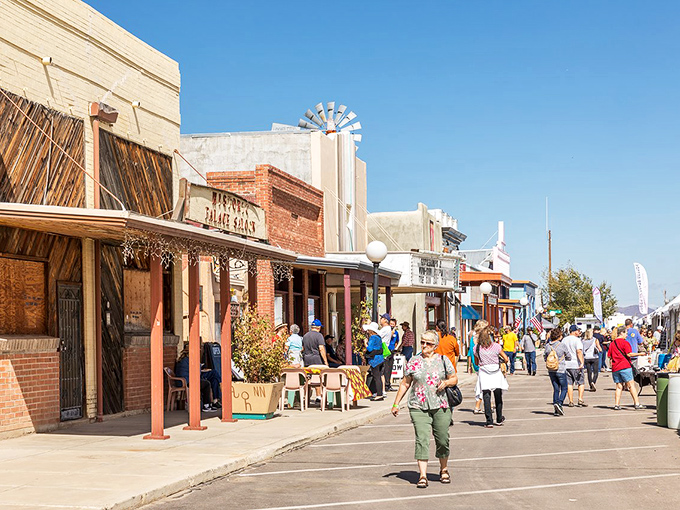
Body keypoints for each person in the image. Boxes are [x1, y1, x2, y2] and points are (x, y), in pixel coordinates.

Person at [391, 330, 457, 489]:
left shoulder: (443, 360)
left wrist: (447, 383)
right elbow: (405, 383)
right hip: (418, 405)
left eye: (428, 343)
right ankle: (422, 475)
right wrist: (396, 403)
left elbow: (454, 378)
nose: (424, 346)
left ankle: (444, 468)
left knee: (442, 439)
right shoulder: (414, 361)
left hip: (441, 405)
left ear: (435, 346)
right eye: (422, 342)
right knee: (422, 438)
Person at [474, 324, 509, 428]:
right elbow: (506, 358)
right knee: (498, 396)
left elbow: (477, 361)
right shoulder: (496, 346)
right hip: (495, 372)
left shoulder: (477, 348)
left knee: (486, 397)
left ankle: (489, 421)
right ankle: (499, 418)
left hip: (484, 372)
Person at [609, 325, 645, 410]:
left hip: (615, 368)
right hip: (625, 366)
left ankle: (616, 404)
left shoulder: (612, 343)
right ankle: (637, 403)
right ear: (621, 333)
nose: (626, 335)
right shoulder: (625, 343)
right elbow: (629, 354)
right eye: (625, 333)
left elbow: (610, 356)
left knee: (618, 386)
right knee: (631, 385)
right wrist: (640, 354)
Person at [175, 345, 219, 412]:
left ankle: (212, 402)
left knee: (214, 379)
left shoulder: (184, 360)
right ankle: (207, 405)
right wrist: (200, 367)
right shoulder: (189, 360)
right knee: (207, 383)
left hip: (186, 380)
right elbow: (197, 373)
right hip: (187, 381)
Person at [544, 328, 571, 416]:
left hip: (551, 369)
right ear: (559, 336)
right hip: (560, 369)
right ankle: (559, 403)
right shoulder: (562, 345)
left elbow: (545, 357)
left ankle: (556, 409)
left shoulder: (548, 346)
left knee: (556, 389)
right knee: (564, 388)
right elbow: (569, 356)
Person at [563, 325, 586, 407]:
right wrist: (582, 362)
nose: (579, 332)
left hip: (566, 364)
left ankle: (571, 401)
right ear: (573, 331)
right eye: (577, 330)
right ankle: (580, 399)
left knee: (569, 383)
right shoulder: (577, 340)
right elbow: (579, 351)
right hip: (575, 364)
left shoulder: (564, 340)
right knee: (581, 382)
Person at [469, 320, 487, 415]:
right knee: (482, 385)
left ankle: (489, 404)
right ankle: (477, 406)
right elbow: (477, 350)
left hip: (477, 362)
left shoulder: (472, 335)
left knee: (483, 384)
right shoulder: (478, 337)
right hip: (480, 363)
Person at [363, 321, 385, 401]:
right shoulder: (379, 337)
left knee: (376, 377)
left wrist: (366, 343)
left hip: (375, 360)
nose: (368, 331)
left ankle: (379, 394)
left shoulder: (372, 338)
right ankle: (377, 392)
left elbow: (370, 348)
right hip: (380, 359)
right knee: (378, 376)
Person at [383, 318, 399, 391]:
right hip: (387, 350)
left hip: (392, 350)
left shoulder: (396, 333)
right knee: (386, 368)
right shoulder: (388, 331)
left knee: (390, 368)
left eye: (393, 324)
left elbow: (397, 341)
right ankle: (385, 384)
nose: (392, 325)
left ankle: (388, 384)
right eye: (391, 324)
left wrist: (394, 346)